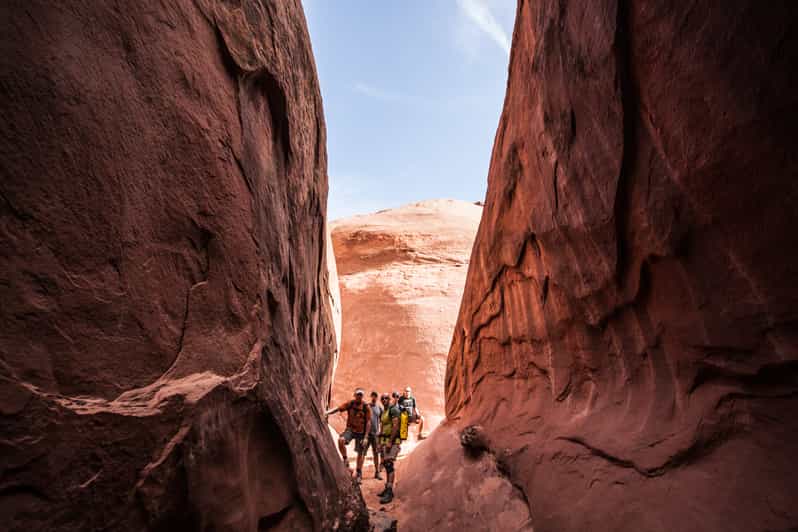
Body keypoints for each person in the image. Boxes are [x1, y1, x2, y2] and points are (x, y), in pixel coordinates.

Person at [325, 388, 371, 483]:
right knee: (341, 440)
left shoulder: (366, 407)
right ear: (354, 395)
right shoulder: (351, 403)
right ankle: (345, 459)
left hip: (361, 432)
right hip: (350, 430)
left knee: (360, 453)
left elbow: (369, 422)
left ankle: (358, 473)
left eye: (361, 395)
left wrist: (366, 437)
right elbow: (338, 408)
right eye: (358, 394)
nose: (359, 397)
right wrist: (327, 413)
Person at [377, 391, 402, 504]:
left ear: (389, 399)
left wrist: (390, 442)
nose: (384, 400)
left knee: (389, 464)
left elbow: (396, 426)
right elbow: (382, 427)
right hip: (384, 441)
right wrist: (379, 443)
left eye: (386, 398)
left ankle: (390, 492)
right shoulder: (384, 412)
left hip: (392, 441)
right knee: (386, 465)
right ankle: (387, 487)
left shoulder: (393, 410)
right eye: (382, 398)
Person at [363, 391, 383, 479]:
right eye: (373, 396)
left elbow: (382, 421)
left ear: (377, 398)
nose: (374, 398)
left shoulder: (379, 408)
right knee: (362, 453)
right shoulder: (367, 406)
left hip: (375, 435)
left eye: (376, 396)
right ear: (371, 396)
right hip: (367, 434)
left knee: (375, 454)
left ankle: (377, 472)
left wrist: (380, 432)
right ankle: (359, 473)